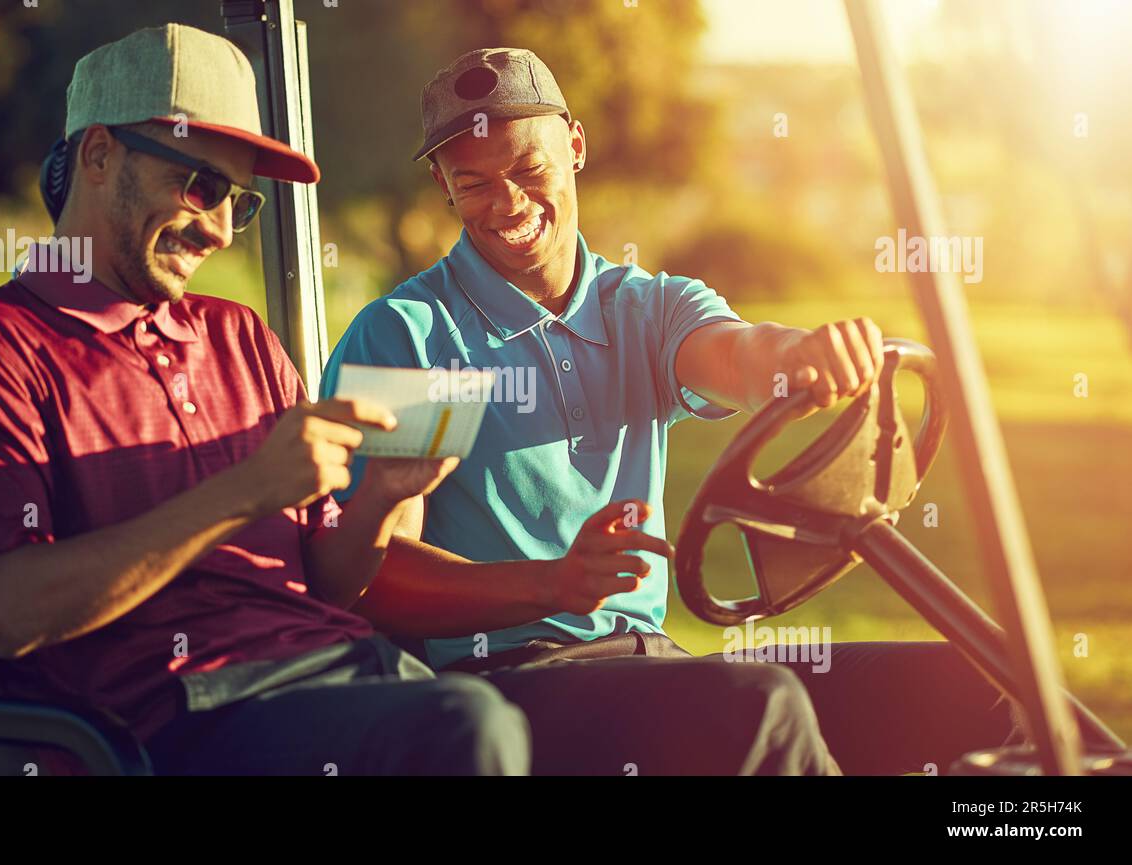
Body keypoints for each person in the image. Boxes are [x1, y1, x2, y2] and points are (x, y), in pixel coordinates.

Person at [320, 47, 1019, 775]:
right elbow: (377, 580)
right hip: (511, 686)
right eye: (474, 183)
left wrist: (802, 354)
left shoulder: (645, 308)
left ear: (576, 146)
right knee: (760, 702)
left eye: (530, 171)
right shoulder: (415, 334)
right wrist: (553, 583)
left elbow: (741, 355)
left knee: (986, 678)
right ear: (442, 185)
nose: (509, 204)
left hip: (649, 660)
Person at [0, 24, 536, 777]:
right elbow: (12, 614)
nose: (220, 231)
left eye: (239, 203)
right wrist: (241, 492)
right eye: (200, 186)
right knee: (464, 724)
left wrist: (378, 502)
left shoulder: (241, 337)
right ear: (99, 155)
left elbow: (329, 579)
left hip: (337, 671)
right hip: (161, 729)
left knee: (519, 718)